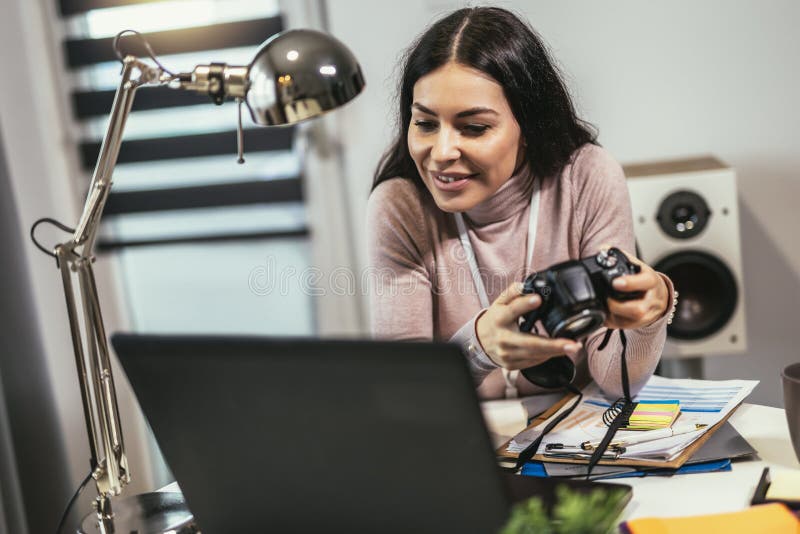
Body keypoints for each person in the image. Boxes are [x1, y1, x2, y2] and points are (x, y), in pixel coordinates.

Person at [367, 6, 675, 400]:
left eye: (474, 128)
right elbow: (404, 394)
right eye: (425, 123)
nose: (441, 152)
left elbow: (616, 380)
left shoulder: (588, 177)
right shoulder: (400, 207)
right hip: (465, 437)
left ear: (528, 127)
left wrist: (650, 316)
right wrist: (479, 347)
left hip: (571, 434)